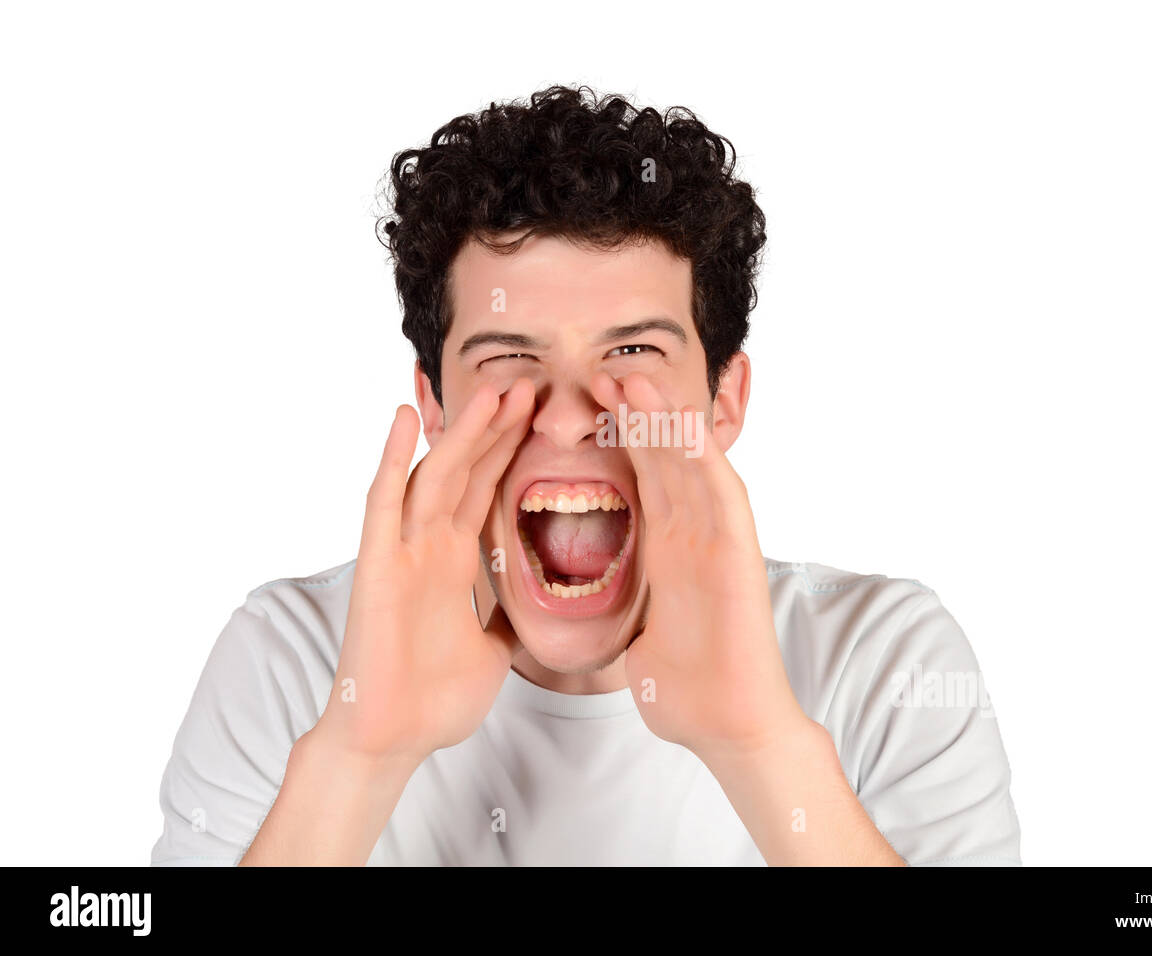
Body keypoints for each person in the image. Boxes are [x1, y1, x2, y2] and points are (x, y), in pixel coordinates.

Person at [151, 85, 1021, 866]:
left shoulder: (883, 661)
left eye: (633, 352)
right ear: (438, 408)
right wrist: (360, 755)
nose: (568, 415)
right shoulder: (290, 662)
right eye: (507, 357)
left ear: (725, 400)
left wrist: (759, 748)